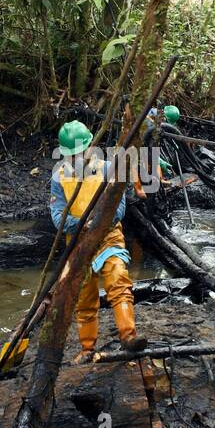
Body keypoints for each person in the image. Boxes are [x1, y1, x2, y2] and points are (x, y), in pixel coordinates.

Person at [50, 120, 147, 362]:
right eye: (72, 156)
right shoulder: (59, 178)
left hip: (109, 235)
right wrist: (84, 224)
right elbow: (58, 217)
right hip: (78, 242)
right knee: (85, 294)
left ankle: (128, 337)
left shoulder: (108, 169)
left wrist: (98, 223)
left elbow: (119, 207)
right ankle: (87, 348)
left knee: (117, 279)